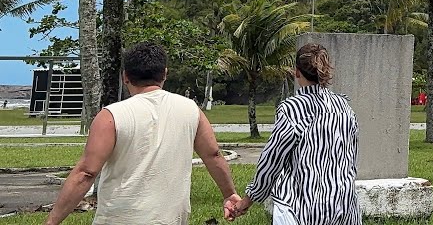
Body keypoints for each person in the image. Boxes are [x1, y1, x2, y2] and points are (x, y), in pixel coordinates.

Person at [44, 42, 239, 225]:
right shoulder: (191, 110)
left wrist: (52, 221)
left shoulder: (111, 116)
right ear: (164, 74)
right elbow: (213, 155)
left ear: (125, 76)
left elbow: (86, 173)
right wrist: (229, 194)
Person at [226, 43, 359, 224]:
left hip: (300, 210)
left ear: (297, 72)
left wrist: (248, 200)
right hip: (344, 208)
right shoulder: (344, 107)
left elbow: (272, 160)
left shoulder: (292, 109)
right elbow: (351, 158)